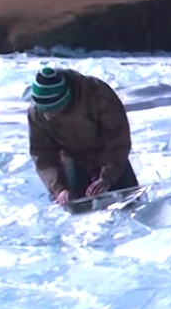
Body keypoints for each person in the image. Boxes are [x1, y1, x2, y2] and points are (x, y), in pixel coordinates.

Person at [27, 66, 139, 205]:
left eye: (54, 109)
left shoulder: (96, 93)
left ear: (65, 98)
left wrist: (108, 176)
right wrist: (59, 188)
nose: (48, 115)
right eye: (44, 111)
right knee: (77, 207)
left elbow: (117, 136)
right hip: (74, 159)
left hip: (108, 153)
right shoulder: (36, 113)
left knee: (131, 204)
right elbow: (43, 154)